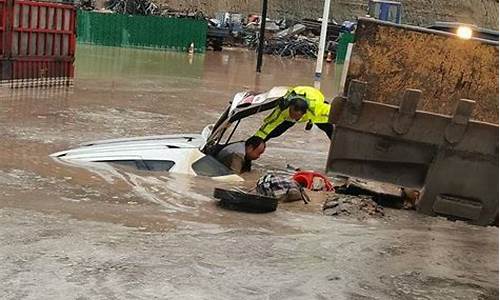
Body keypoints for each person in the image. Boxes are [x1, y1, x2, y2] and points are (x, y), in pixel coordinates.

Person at [254, 86, 333, 141]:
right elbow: (268, 126)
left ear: (304, 113)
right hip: (298, 93)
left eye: (296, 118)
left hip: (314, 97)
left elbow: (338, 113)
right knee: (275, 132)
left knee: (330, 129)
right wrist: (256, 140)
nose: (294, 119)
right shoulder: (282, 109)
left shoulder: (318, 109)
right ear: (289, 108)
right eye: (292, 115)